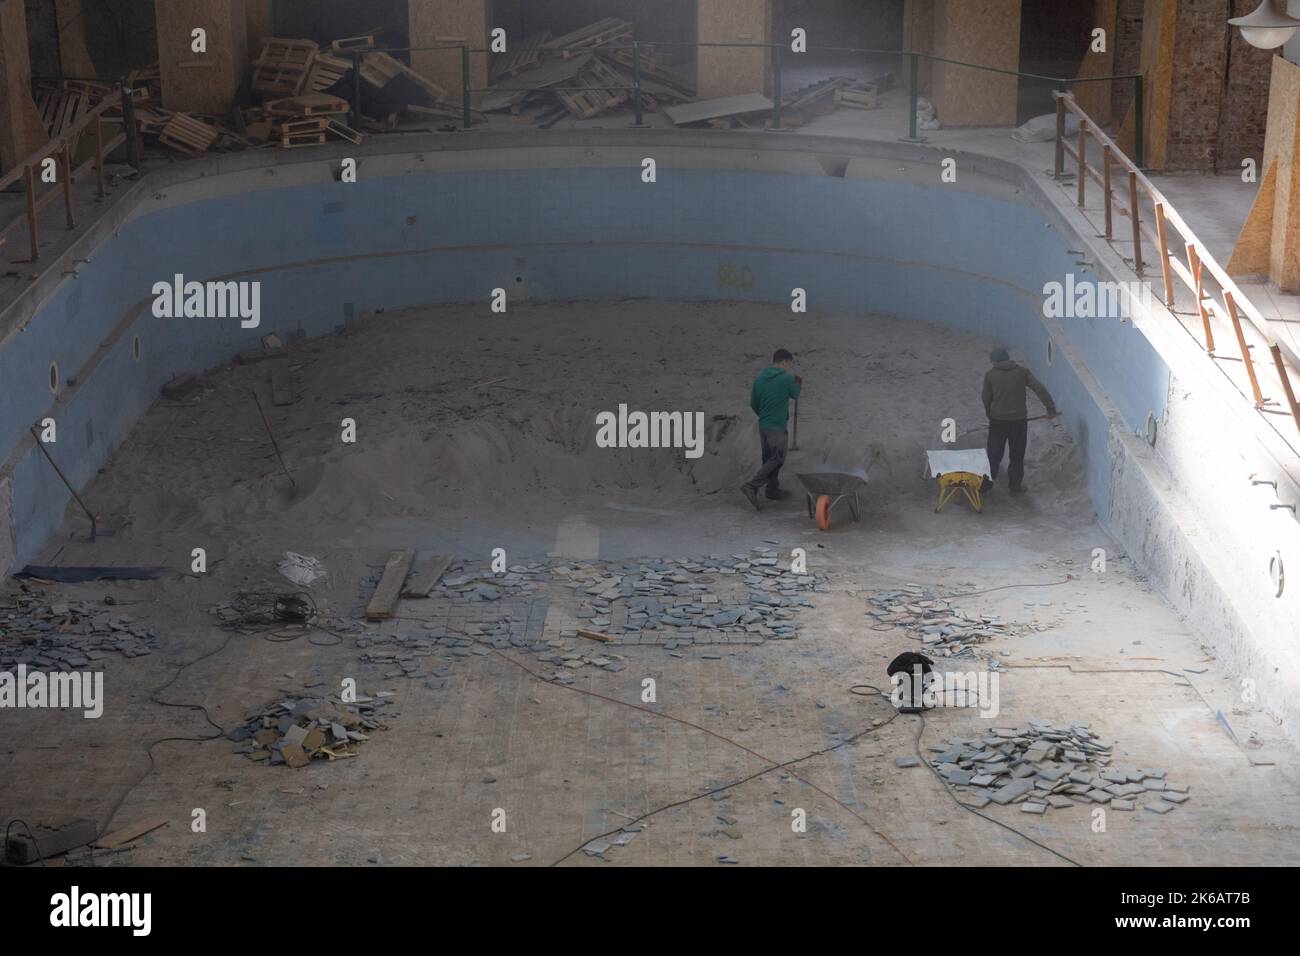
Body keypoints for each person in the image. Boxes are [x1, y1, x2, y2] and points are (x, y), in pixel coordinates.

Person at [981, 347, 1059, 495]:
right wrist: (1050, 408)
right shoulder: (1022, 372)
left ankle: (985, 486)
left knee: (994, 454)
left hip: (998, 421)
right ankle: (1015, 486)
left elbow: (986, 397)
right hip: (1019, 421)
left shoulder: (990, 375)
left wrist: (989, 413)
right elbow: (1039, 389)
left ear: (995, 361)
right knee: (1017, 455)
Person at [742, 349, 802, 511]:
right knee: (777, 458)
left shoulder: (760, 379)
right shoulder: (786, 378)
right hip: (777, 426)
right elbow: (795, 395)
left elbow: (754, 403)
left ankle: (772, 490)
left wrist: (764, 415)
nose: (790, 367)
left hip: (764, 425)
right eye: (790, 364)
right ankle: (752, 486)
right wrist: (797, 382)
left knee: (769, 458)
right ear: (784, 362)